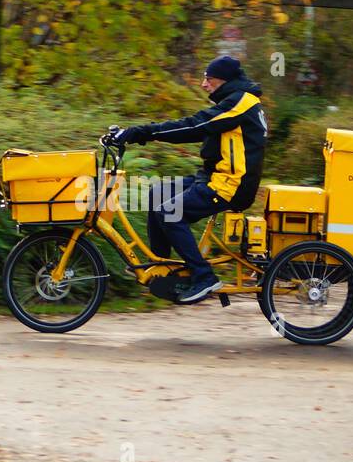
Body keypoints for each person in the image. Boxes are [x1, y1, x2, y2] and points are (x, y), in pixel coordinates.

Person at [112, 55, 267, 304]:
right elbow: (198, 127)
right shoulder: (234, 99)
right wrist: (137, 133)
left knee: (169, 211)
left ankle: (204, 276)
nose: (204, 85)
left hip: (232, 184)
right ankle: (161, 267)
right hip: (214, 177)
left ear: (225, 80)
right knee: (158, 193)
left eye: (209, 79)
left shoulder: (242, 102)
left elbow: (196, 126)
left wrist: (142, 132)